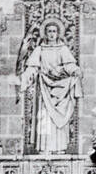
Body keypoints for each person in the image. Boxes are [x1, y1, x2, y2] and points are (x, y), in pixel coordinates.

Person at [21, 20, 81, 153]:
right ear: (45, 34)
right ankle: (44, 148)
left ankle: (60, 148)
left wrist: (75, 70)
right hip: (44, 89)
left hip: (61, 89)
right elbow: (32, 67)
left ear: (58, 33)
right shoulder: (39, 50)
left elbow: (69, 65)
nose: (52, 34)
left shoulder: (63, 49)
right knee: (45, 118)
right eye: (49, 31)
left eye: (54, 31)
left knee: (58, 120)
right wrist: (26, 77)